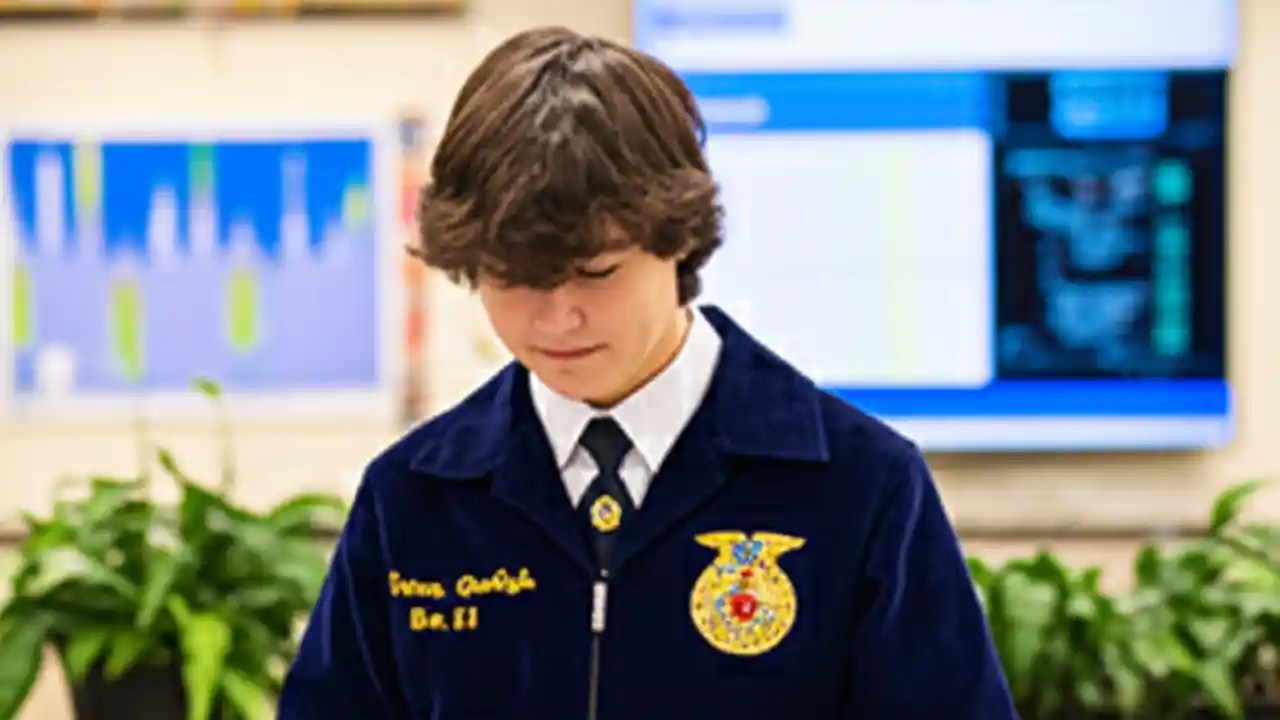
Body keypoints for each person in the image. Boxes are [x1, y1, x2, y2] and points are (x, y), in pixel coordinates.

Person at [277, 25, 1016, 720]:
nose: (557, 318)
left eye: (596, 273)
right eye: (513, 278)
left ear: (679, 239)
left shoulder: (860, 487)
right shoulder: (414, 498)